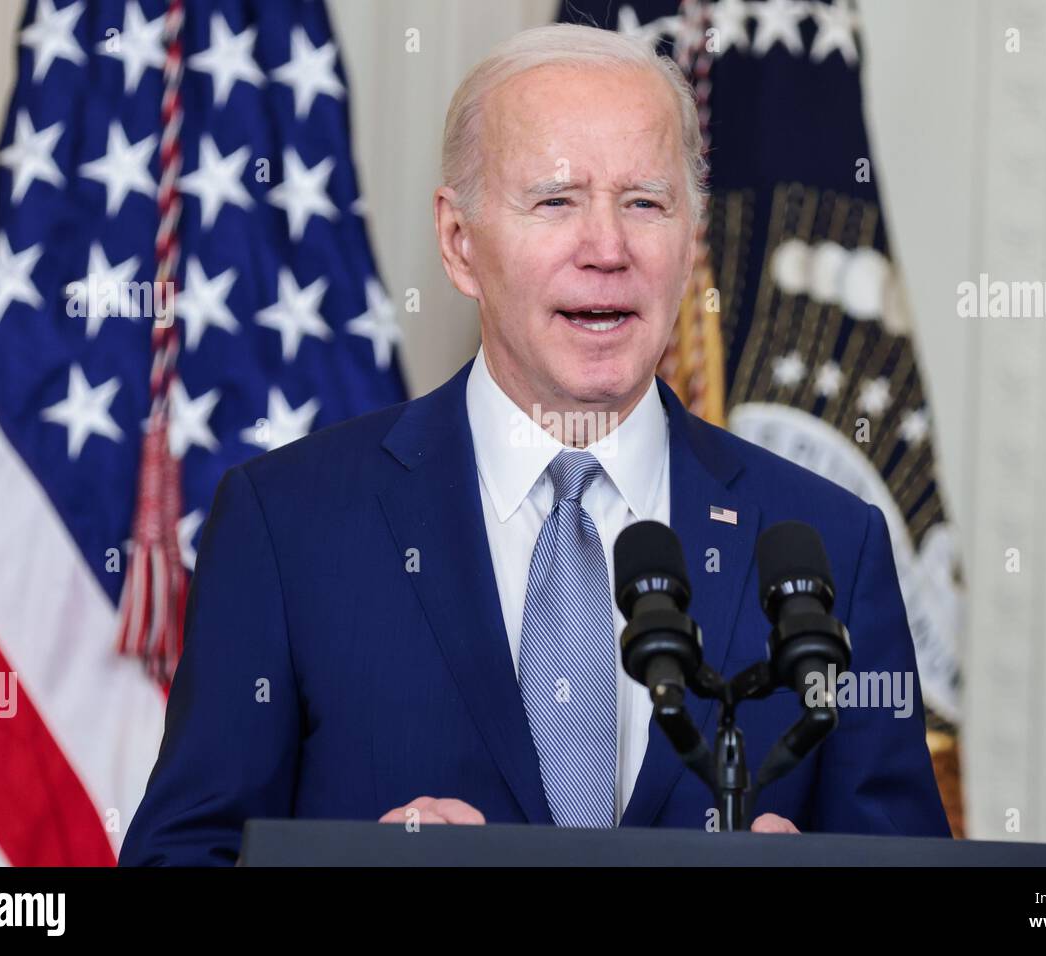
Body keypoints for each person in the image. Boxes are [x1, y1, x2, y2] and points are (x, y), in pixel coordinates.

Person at [120, 23, 948, 866]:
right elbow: (177, 859)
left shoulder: (828, 546)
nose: (608, 249)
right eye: (556, 200)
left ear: (690, 238)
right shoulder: (289, 527)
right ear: (459, 242)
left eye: (645, 203)